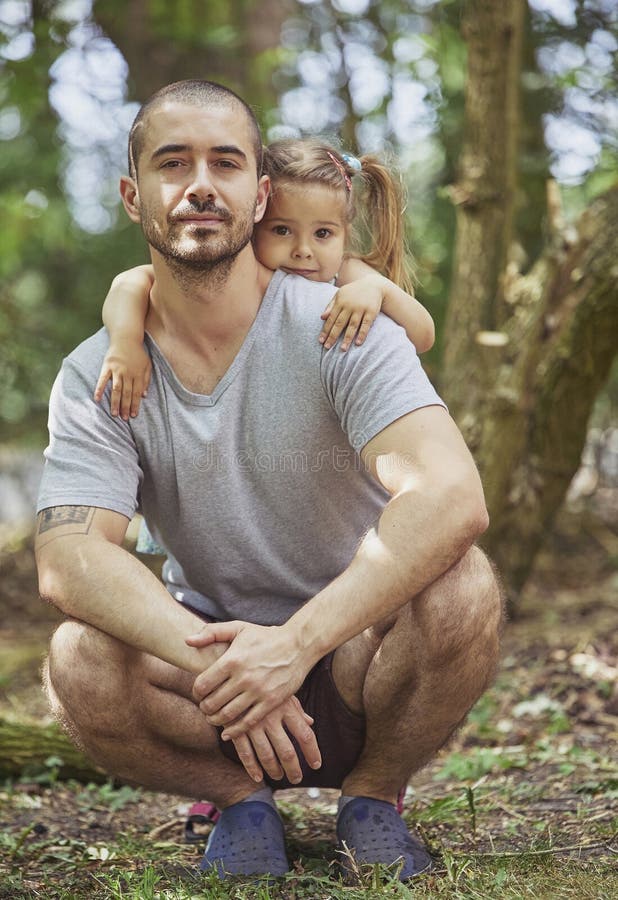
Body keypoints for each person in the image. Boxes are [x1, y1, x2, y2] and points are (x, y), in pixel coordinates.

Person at [35, 79, 502, 882]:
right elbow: (69, 555)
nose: (199, 185)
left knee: (466, 584)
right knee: (78, 655)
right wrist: (232, 667)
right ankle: (238, 801)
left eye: (225, 162)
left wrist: (294, 647)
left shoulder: (343, 322)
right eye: (172, 163)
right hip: (207, 686)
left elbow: (451, 494)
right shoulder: (100, 372)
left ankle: (373, 796)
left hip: (357, 658)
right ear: (133, 195)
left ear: (259, 197)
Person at [93, 138, 435, 421]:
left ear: (345, 235)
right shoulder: (240, 276)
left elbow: (423, 335)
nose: (303, 250)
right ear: (255, 221)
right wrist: (125, 342)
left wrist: (377, 290)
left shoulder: (347, 273)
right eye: (282, 230)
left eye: (322, 233)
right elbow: (128, 284)